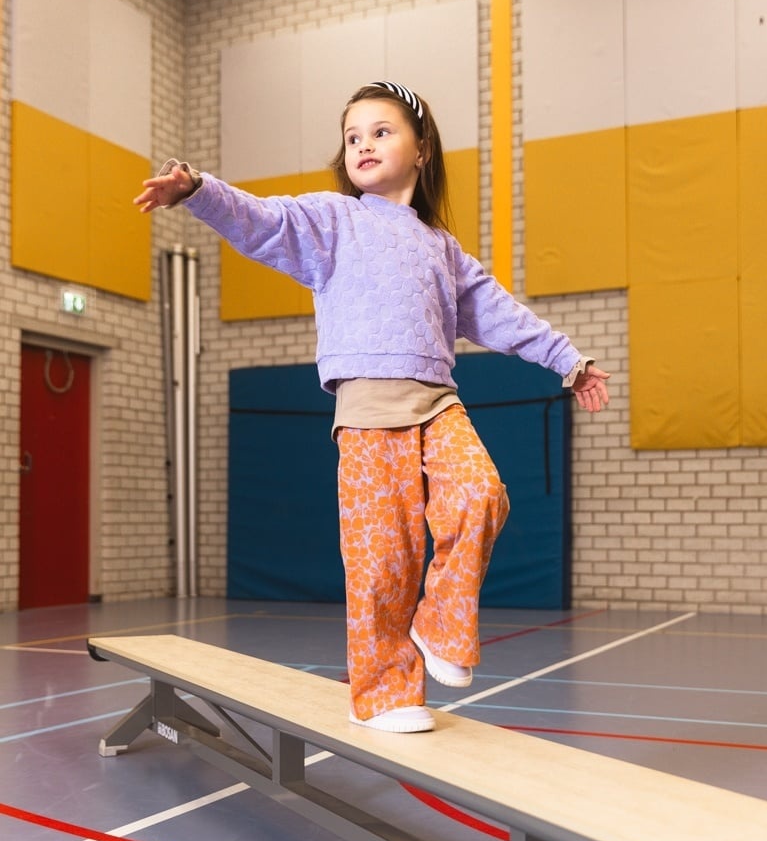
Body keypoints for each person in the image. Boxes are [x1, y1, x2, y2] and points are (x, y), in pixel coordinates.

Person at [135, 80, 610, 734]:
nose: (363, 144)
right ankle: (387, 695)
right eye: (353, 136)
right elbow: (262, 220)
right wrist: (199, 190)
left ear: (422, 150)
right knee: (381, 565)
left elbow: (501, 315)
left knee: (480, 494)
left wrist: (569, 360)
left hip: (437, 404)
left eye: (381, 131)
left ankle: (441, 623)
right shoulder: (334, 222)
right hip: (364, 416)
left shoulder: (443, 249)